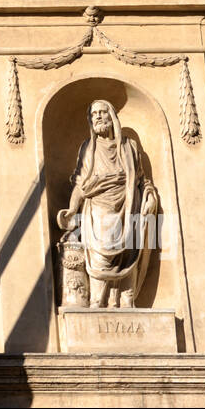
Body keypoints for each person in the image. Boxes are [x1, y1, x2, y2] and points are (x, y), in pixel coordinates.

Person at [56, 100, 159, 308]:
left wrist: (149, 197)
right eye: (94, 115)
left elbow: (141, 179)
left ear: (112, 117)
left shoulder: (129, 147)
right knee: (101, 255)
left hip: (129, 206)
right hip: (99, 208)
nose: (98, 117)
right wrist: (72, 209)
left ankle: (125, 302)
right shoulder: (88, 148)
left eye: (103, 113)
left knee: (129, 253)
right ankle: (97, 302)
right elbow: (80, 182)